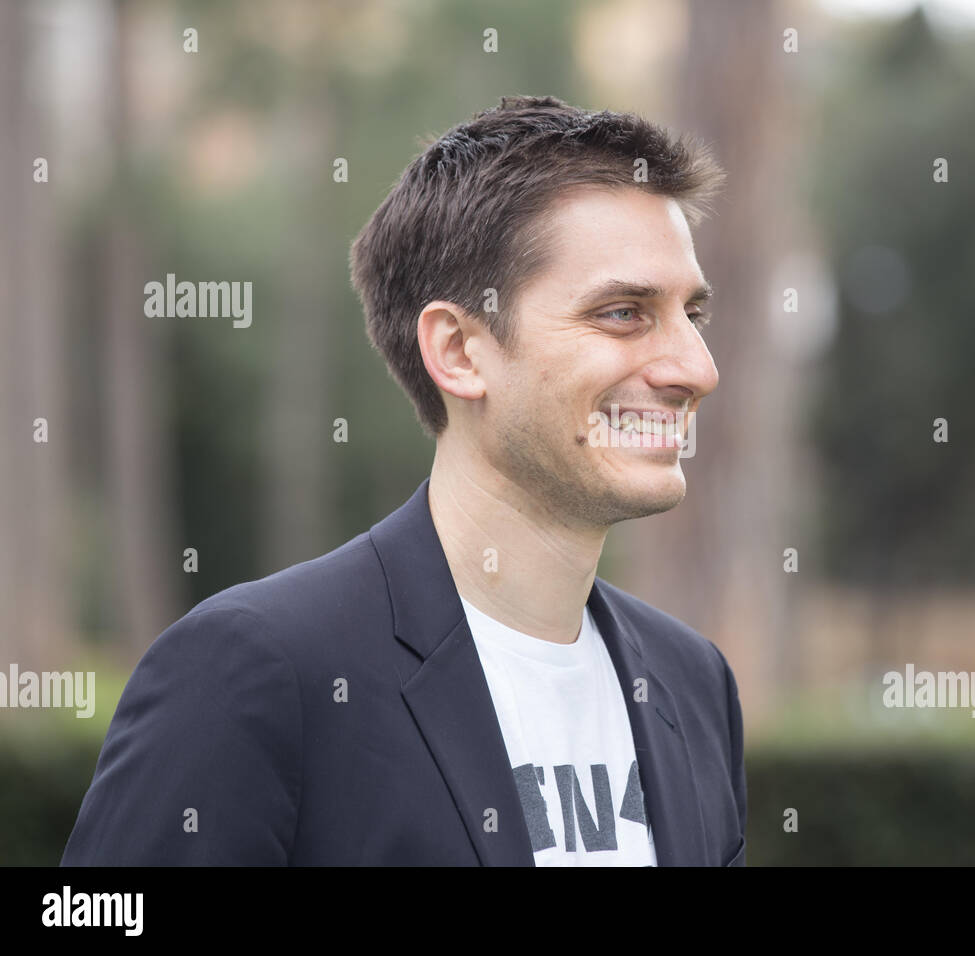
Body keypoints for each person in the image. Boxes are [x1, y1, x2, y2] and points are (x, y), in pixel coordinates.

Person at [61, 94, 746, 866]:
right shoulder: (258, 671)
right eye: (624, 313)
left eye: (695, 314)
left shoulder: (694, 685)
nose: (697, 368)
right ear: (458, 351)